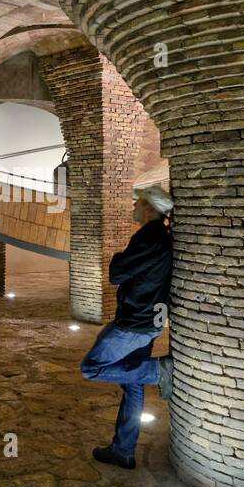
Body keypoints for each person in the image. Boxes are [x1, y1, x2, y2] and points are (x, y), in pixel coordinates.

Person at [80, 185, 174, 470]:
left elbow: (117, 272)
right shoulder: (162, 236)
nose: (133, 207)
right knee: (133, 386)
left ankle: (159, 371)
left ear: (148, 208)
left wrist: (117, 258)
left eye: (137, 203)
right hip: (150, 320)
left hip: (135, 322)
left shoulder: (149, 237)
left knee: (91, 367)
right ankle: (123, 450)